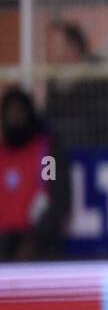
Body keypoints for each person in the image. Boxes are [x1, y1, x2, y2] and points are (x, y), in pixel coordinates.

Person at [0, 88, 68, 261]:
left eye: (19, 111)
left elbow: (54, 194)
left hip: (35, 243)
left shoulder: (45, 153)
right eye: (10, 111)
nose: (14, 116)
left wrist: (37, 238)